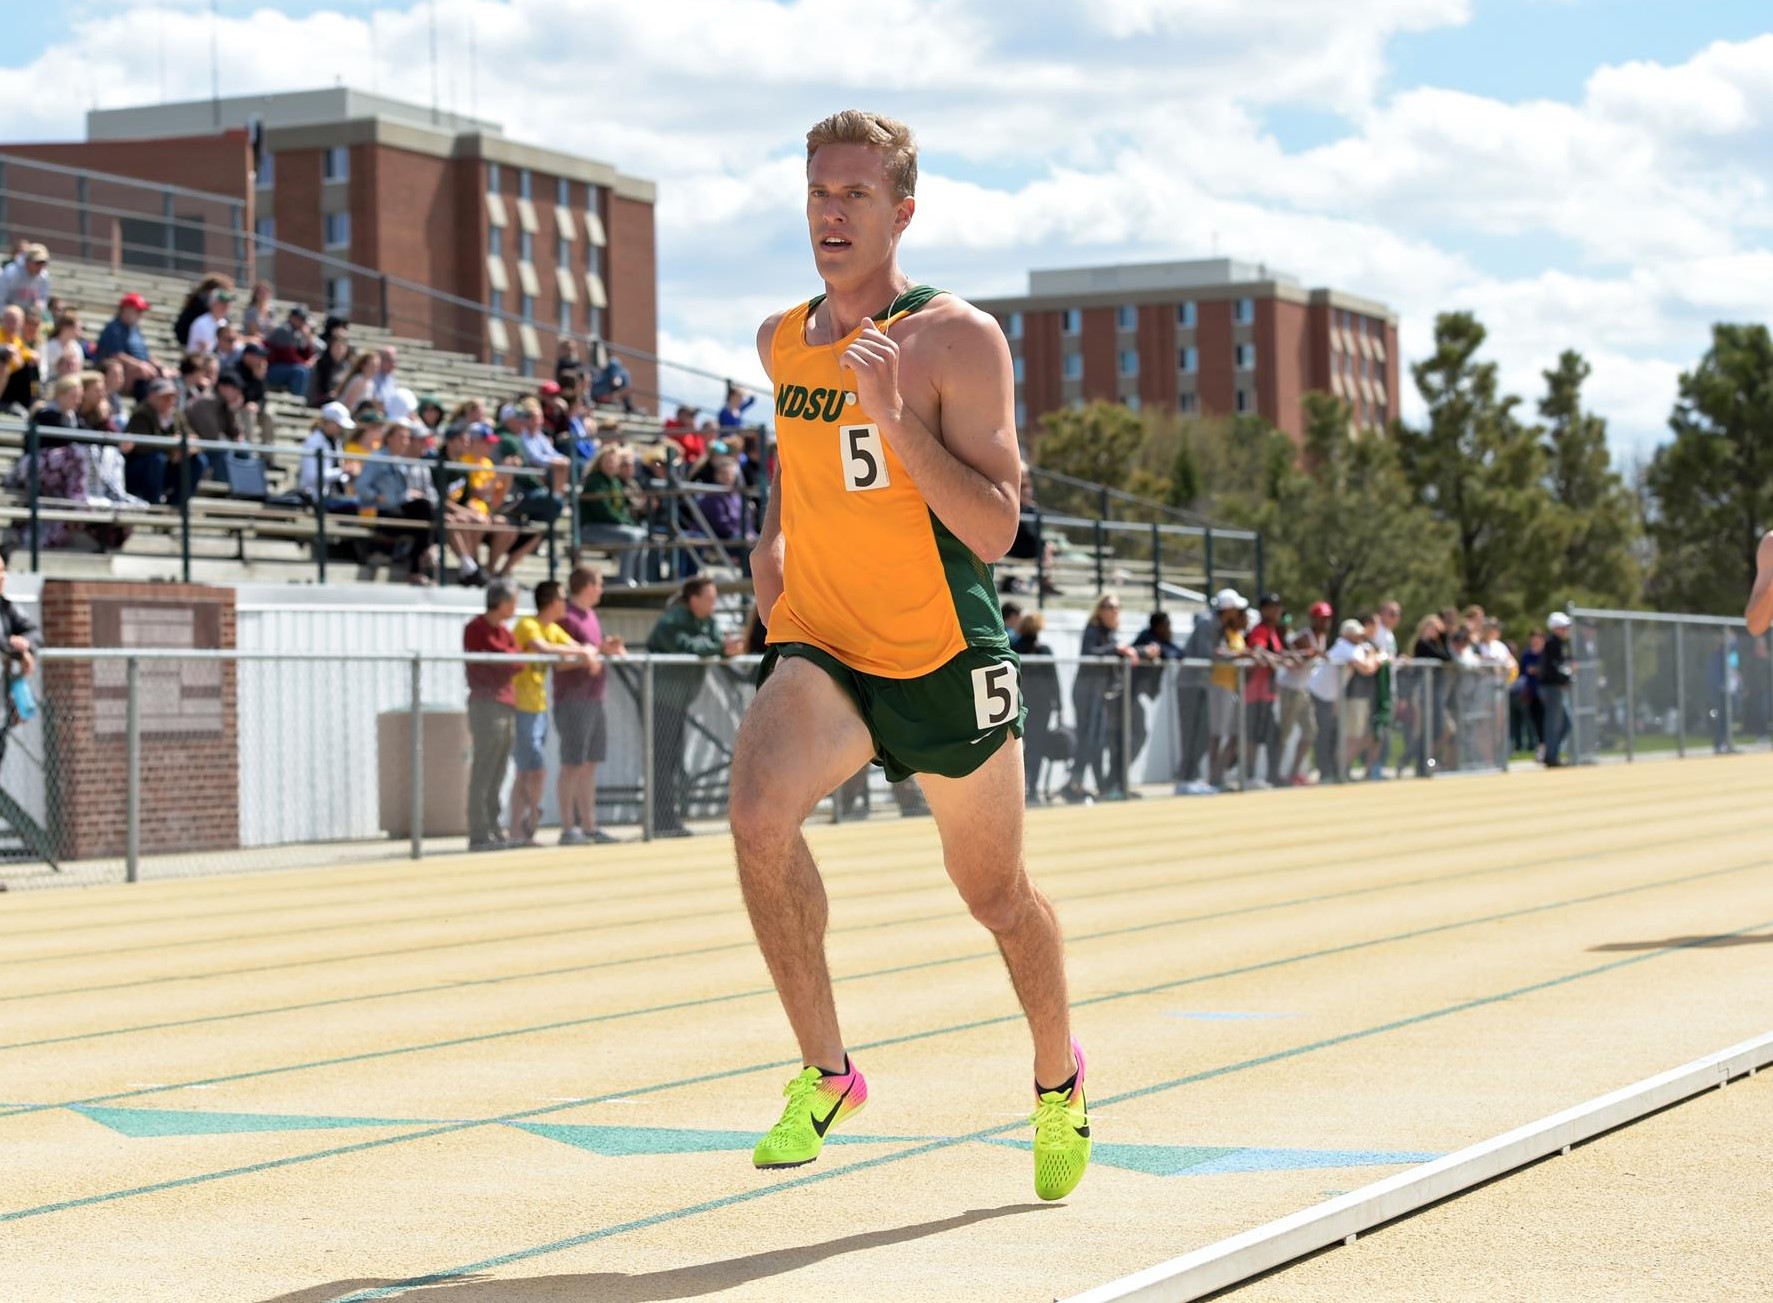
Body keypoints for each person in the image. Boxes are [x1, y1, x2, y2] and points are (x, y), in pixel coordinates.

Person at [731, 111, 1088, 1200]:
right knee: (755, 813)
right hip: (828, 636)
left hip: (941, 647)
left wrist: (893, 419)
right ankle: (827, 1071)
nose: (830, 214)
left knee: (995, 896)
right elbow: (800, 463)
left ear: (901, 211)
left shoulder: (958, 339)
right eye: (817, 193)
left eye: (854, 196)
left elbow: (993, 528)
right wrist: (773, 543)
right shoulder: (780, 340)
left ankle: (1057, 1080)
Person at [645, 575, 743, 835]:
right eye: (709, 598)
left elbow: (712, 644)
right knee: (662, 762)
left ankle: (669, 817)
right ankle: (661, 820)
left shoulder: (707, 621)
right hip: (662, 699)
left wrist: (722, 648)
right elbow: (686, 646)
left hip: (680, 701)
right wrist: (720, 648)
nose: (714, 603)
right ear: (693, 599)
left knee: (673, 760)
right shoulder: (673, 619)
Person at [507, 580, 601, 846]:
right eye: (562, 598)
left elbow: (577, 647)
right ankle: (519, 827)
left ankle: (523, 828)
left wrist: (589, 651)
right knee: (530, 769)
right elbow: (544, 648)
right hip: (520, 705)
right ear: (551, 602)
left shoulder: (552, 628)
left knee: (531, 770)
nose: (566, 603)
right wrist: (584, 651)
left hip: (538, 707)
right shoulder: (529, 625)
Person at [554, 566, 626, 845]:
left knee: (589, 765)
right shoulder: (566, 617)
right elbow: (562, 659)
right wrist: (595, 652)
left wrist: (604, 649)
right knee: (572, 763)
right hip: (573, 699)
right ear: (586, 586)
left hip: (594, 698)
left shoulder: (590, 615)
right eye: (599, 584)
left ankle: (589, 826)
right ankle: (567, 827)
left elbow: (591, 650)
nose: (601, 589)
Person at [464, 581, 521, 850]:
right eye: (513, 601)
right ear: (501, 602)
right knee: (484, 769)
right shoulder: (476, 628)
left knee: (499, 769)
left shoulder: (505, 631)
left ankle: (494, 826)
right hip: (486, 705)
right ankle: (478, 832)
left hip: (507, 703)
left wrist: (507, 658)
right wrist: (507, 658)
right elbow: (495, 657)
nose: (516, 607)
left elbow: (517, 661)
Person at [1066, 591, 1136, 802]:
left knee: (1097, 741)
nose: (1114, 611)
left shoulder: (1110, 633)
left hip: (1098, 693)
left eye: (1117, 607)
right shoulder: (1093, 630)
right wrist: (1115, 649)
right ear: (1100, 610)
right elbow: (1089, 654)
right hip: (1086, 692)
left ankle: (1097, 786)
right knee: (1087, 740)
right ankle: (1073, 783)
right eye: (1109, 607)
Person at [122, 377, 207, 506]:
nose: (170, 401)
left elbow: (192, 437)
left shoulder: (176, 415)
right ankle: (154, 505)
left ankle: (178, 505)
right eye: (165, 396)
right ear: (152, 396)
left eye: (173, 397)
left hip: (168, 467)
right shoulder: (142, 414)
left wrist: (188, 448)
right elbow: (142, 447)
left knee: (199, 461)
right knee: (157, 459)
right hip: (141, 470)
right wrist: (172, 449)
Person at [578, 443, 649, 584]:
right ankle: (625, 579)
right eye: (608, 461)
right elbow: (604, 512)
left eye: (613, 461)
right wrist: (627, 523)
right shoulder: (595, 481)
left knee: (642, 534)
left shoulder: (615, 482)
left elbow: (623, 508)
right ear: (600, 462)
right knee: (631, 536)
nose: (611, 465)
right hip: (591, 528)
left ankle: (639, 579)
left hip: (611, 527)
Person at [1275, 600, 1328, 786]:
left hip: (1303, 689)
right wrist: (1310, 654)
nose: (1324, 622)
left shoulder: (1321, 637)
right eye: (1321, 618)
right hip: (1289, 689)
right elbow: (1290, 655)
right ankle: (1274, 774)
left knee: (1310, 731)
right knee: (1284, 733)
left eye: (1327, 618)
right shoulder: (1303, 637)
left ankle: (1293, 773)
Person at [1011, 611, 1061, 805]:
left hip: (1023, 704)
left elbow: (1053, 679)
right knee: (1034, 748)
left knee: (1025, 747)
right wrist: (1059, 704)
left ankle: (1027, 789)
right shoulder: (1040, 649)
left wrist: (1058, 703)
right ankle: (1029, 789)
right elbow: (1054, 681)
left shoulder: (1018, 647)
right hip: (1036, 706)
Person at [1204, 589, 1250, 791]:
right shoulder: (1217, 628)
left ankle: (1219, 774)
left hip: (1233, 688)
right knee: (1218, 733)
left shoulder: (1234, 633)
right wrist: (1239, 655)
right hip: (1220, 685)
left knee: (1234, 734)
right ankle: (1214, 777)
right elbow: (1215, 652)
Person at [0, 546, 41, 775]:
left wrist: (26, 646)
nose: (2, 577)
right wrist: (16, 650)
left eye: (4, 571)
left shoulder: (6, 608)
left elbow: (34, 633)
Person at [1243, 593, 1288, 786]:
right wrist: (1275, 661)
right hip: (1255, 693)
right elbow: (1258, 650)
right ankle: (1249, 776)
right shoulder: (1260, 630)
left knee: (1272, 737)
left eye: (1278, 607)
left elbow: (1276, 652)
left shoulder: (1273, 631)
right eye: (1273, 607)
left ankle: (1272, 776)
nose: (1277, 611)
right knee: (1254, 736)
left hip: (1267, 694)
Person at [95, 293, 165, 398]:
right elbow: (116, 355)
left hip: (144, 372)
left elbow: (145, 354)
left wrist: (160, 366)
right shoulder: (114, 329)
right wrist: (140, 365)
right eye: (138, 311)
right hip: (128, 374)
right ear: (126, 310)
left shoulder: (135, 329)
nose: (141, 315)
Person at [1540, 611, 1575, 766]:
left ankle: (1551, 752)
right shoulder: (1551, 644)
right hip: (1552, 688)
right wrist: (1563, 679)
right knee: (1553, 724)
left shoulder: (1560, 644)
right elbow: (1553, 668)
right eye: (1563, 627)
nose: (1566, 630)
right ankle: (1551, 756)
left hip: (1557, 688)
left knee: (1567, 723)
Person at [265, 306, 317, 396]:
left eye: (304, 320)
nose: (303, 322)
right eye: (300, 319)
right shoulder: (284, 330)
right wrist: (305, 364)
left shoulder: (297, 333)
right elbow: (289, 356)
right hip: (270, 369)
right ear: (292, 318)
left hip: (284, 368)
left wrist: (308, 338)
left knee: (307, 370)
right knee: (300, 371)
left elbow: (306, 355)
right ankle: (297, 402)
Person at [1, 244, 51, 310]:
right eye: (37, 263)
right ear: (27, 261)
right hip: (9, 312)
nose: (40, 267)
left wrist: (40, 305)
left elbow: (43, 298)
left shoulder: (44, 277)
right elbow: (1, 300)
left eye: (43, 263)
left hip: (30, 313)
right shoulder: (11, 273)